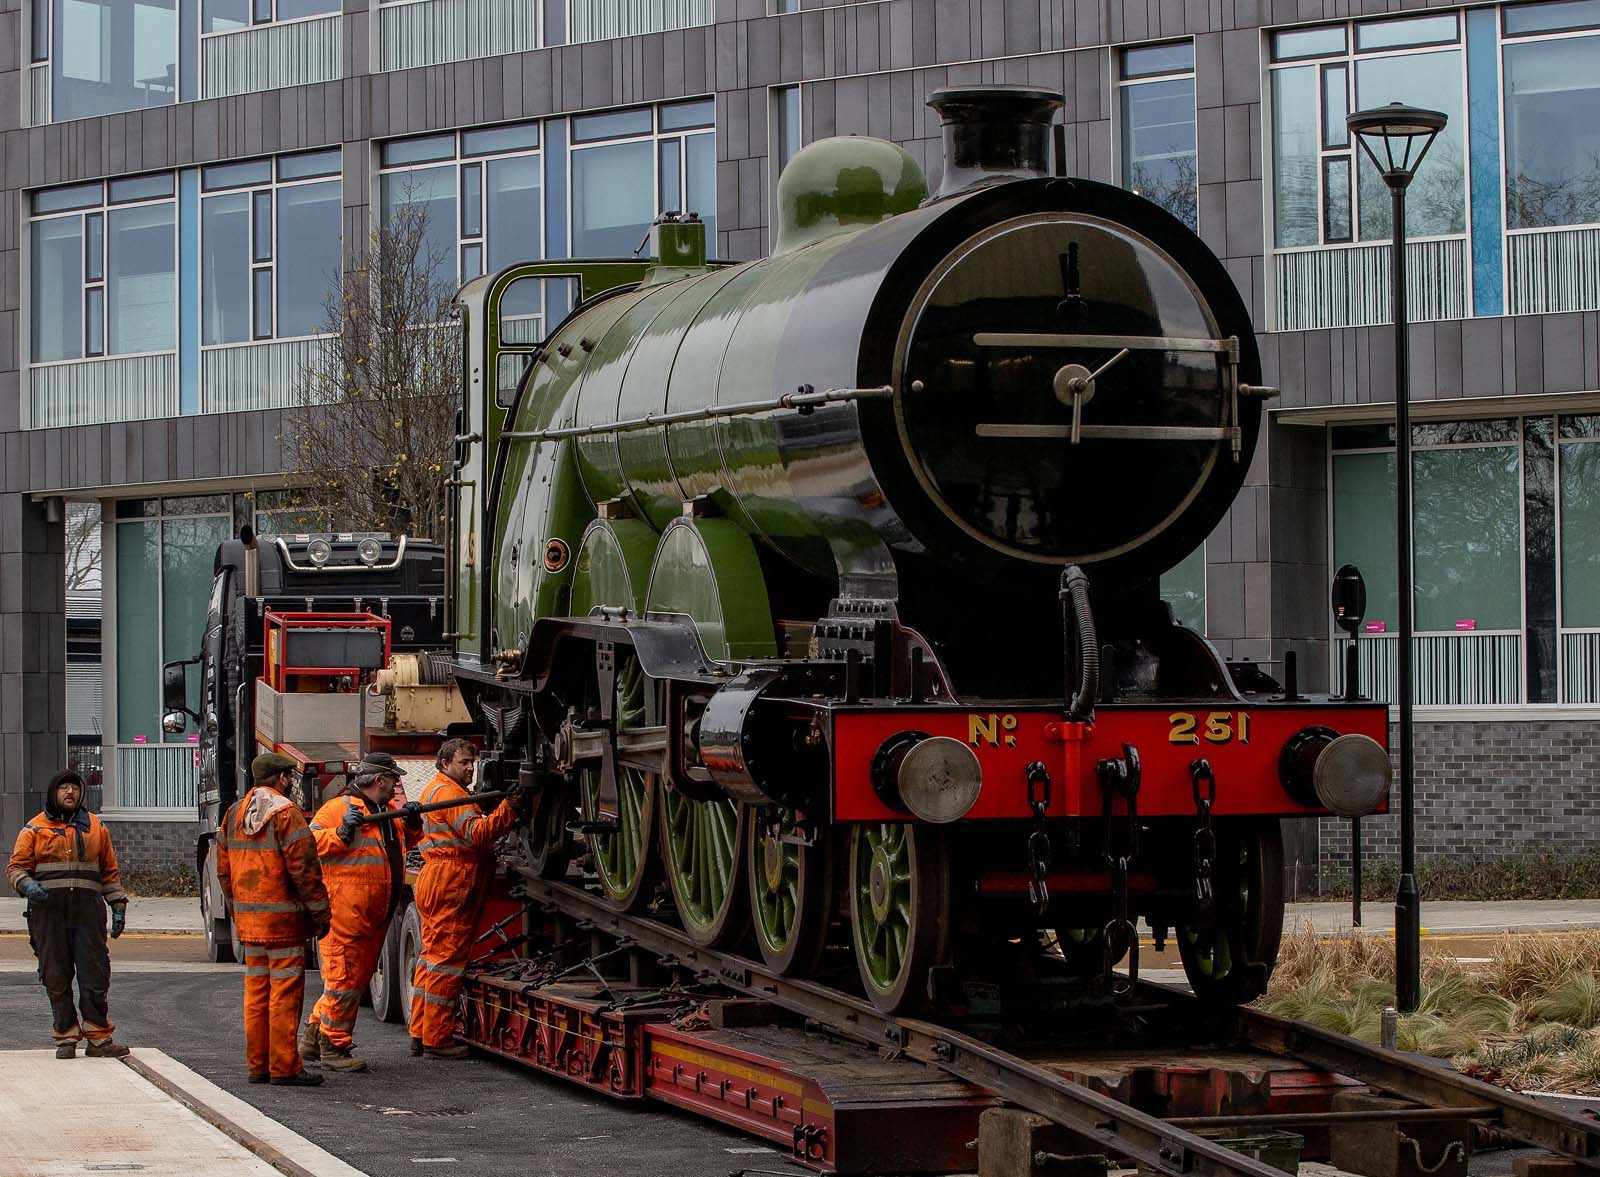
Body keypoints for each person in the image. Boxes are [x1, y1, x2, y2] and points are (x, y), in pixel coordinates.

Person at [407, 738, 528, 1059]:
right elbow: (477, 833)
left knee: (431, 958)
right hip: (453, 879)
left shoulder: (436, 790)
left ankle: (420, 1032)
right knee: (447, 961)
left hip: (438, 876)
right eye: (463, 762)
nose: (470, 768)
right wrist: (510, 808)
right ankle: (436, 1039)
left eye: (472, 762)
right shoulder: (450, 794)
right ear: (445, 764)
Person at [217, 752, 331, 1087]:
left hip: (251, 927)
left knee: (256, 995)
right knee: (284, 996)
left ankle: (259, 1066)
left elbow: (223, 871)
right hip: (284, 926)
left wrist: (240, 908)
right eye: (290, 777)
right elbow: (305, 872)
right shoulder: (287, 814)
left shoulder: (233, 814)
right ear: (282, 778)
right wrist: (320, 914)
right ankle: (284, 1066)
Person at [300, 752, 419, 1073]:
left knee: (351, 981)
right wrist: (338, 834)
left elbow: (403, 843)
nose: (397, 785)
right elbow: (306, 844)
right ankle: (333, 1047)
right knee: (343, 982)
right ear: (379, 780)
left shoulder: (386, 812)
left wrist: (413, 823)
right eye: (394, 779)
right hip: (344, 914)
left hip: (373, 914)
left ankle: (313, 1038)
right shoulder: (338, 809)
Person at [6, 769, 130, 1059]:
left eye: (74, 788)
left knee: (94, 974)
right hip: (48, 914)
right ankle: (66, 1037)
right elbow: (15, 867)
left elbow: (109, 872)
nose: (70, 793)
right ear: (54, 793)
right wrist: (27, 885)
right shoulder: (34, 829)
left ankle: (99, 1039)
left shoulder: (96, 827)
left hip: (87, 912)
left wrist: (118, 906)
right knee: (55, 975)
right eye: (64, 788)